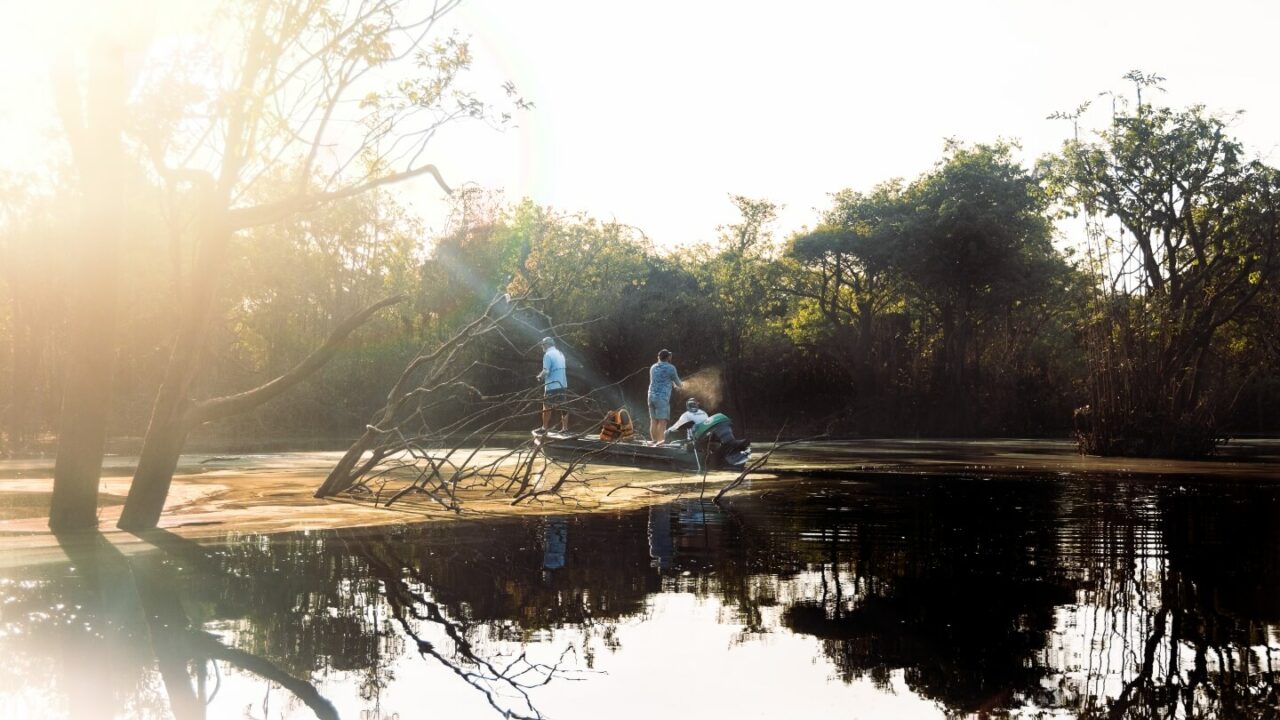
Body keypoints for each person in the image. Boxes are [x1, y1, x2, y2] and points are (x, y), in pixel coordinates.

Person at [647, 348, 683, 442]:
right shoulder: (671, 368)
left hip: (650, 396)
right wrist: (680, 385)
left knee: (653, 420)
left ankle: (654, 441)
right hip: (662, 398)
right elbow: (679, 384)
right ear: (668, 357)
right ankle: (660, 443)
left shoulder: (653, 367)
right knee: (662, 421)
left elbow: (660, 379)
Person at [537, 337, 569, 432]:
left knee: (546, 406)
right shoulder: (560, 354)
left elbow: (546, 371)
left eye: (543, 344)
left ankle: (544, 428)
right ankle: (565, 428)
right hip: (562, 385)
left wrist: (539, 377)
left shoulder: (548, 355)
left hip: (552, 386)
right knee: (564, 407)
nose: (542, 346)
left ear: (547, 345)